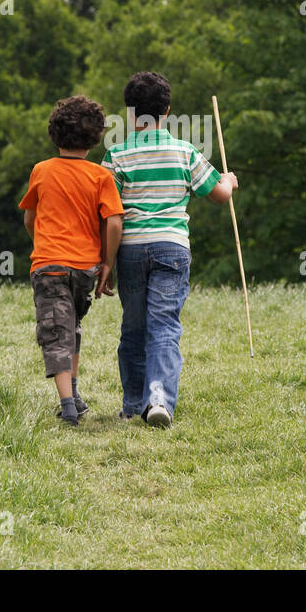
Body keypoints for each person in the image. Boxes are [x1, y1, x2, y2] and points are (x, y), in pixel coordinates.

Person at [101, 72, 239, 428]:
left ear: (131, 113)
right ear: (168, 109)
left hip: (130, 250)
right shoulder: (184, 151)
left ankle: (133, 404)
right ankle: (159, 400)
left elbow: (106, 213)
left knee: (133, 327)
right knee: (164, 325)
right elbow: (219, 195)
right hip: (172, 247)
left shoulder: (116, 155)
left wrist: (106, 261)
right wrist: (229, 180)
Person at [19, 95, 124, 426]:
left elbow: (29, 218)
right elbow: (114, 223)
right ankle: (74, 395)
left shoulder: (42, 171)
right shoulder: (100, 177)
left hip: (49, 266)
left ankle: (66, 405)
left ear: (55, 133)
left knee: (55, 332)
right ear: (95, 138)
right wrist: (107, 264)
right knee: (72, 327)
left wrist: (45, 245)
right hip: (84, 269)